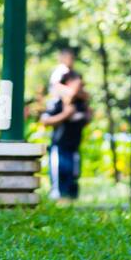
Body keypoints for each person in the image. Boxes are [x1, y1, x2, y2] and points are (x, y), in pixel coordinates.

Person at [40, 71, 92, 201]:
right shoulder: (56, 102)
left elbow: (86, 118)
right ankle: (58, 196)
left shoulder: (81, 103)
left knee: (73, 175)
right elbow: (45, 120)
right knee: (60, 174)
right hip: (60, 145)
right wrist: (65, 115)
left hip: (74, 145)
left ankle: (71, 198)